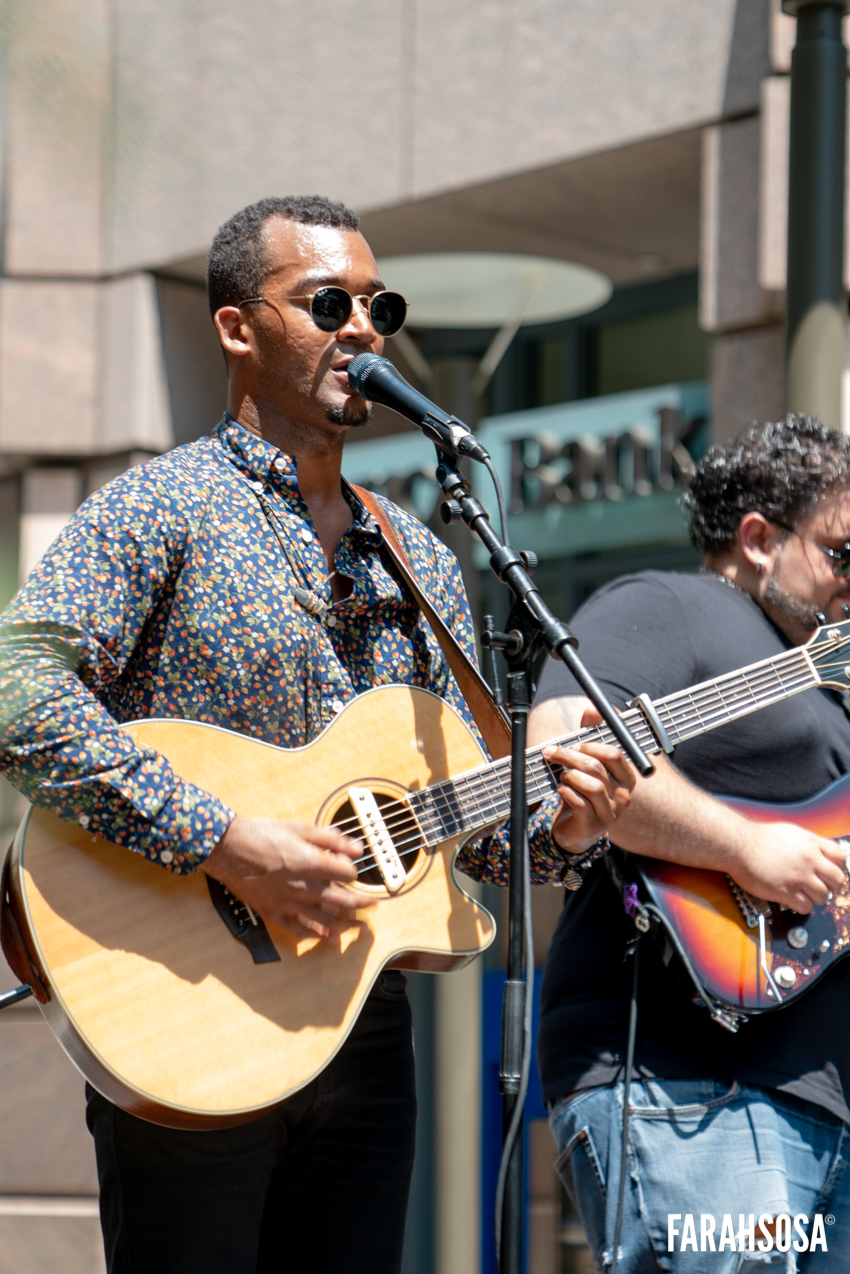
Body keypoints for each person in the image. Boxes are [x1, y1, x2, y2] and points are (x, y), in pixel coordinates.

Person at [0, 194, 634, 1274]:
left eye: (380, 306)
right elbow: (19, 692)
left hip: (363, 1023)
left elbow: (469, 835)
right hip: (185, 1006)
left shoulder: (418, 554)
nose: (364, 327)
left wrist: (566, 826)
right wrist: (222, 838)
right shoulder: (160, 508)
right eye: (329, 304)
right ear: (237, 329)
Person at [516, 416, 850, 1272]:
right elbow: (567, 747)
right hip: (693, 1086)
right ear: (759, 540)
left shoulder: (828, 684)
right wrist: (745, 849)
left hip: (822, 1101)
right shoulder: (667, 606)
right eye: (842, 553)